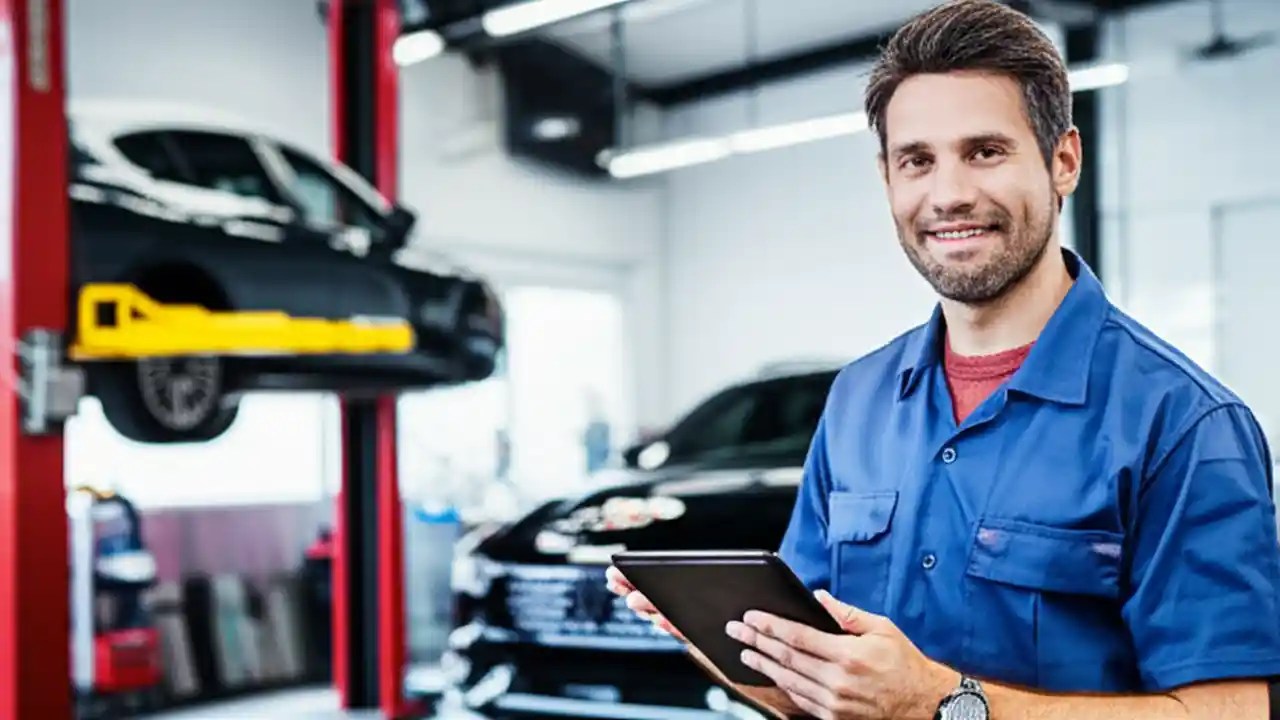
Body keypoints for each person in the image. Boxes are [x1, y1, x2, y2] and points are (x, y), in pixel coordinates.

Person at [606, 0, 1280, 718]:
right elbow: (817, 694)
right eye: (917, 161)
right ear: (888, 178)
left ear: (1063, 161)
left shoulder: (1183, 423)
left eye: (985, 151)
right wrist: (722, 639)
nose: (949, 195)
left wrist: (940, 703)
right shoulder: (858, 399)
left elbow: (1230, 712)